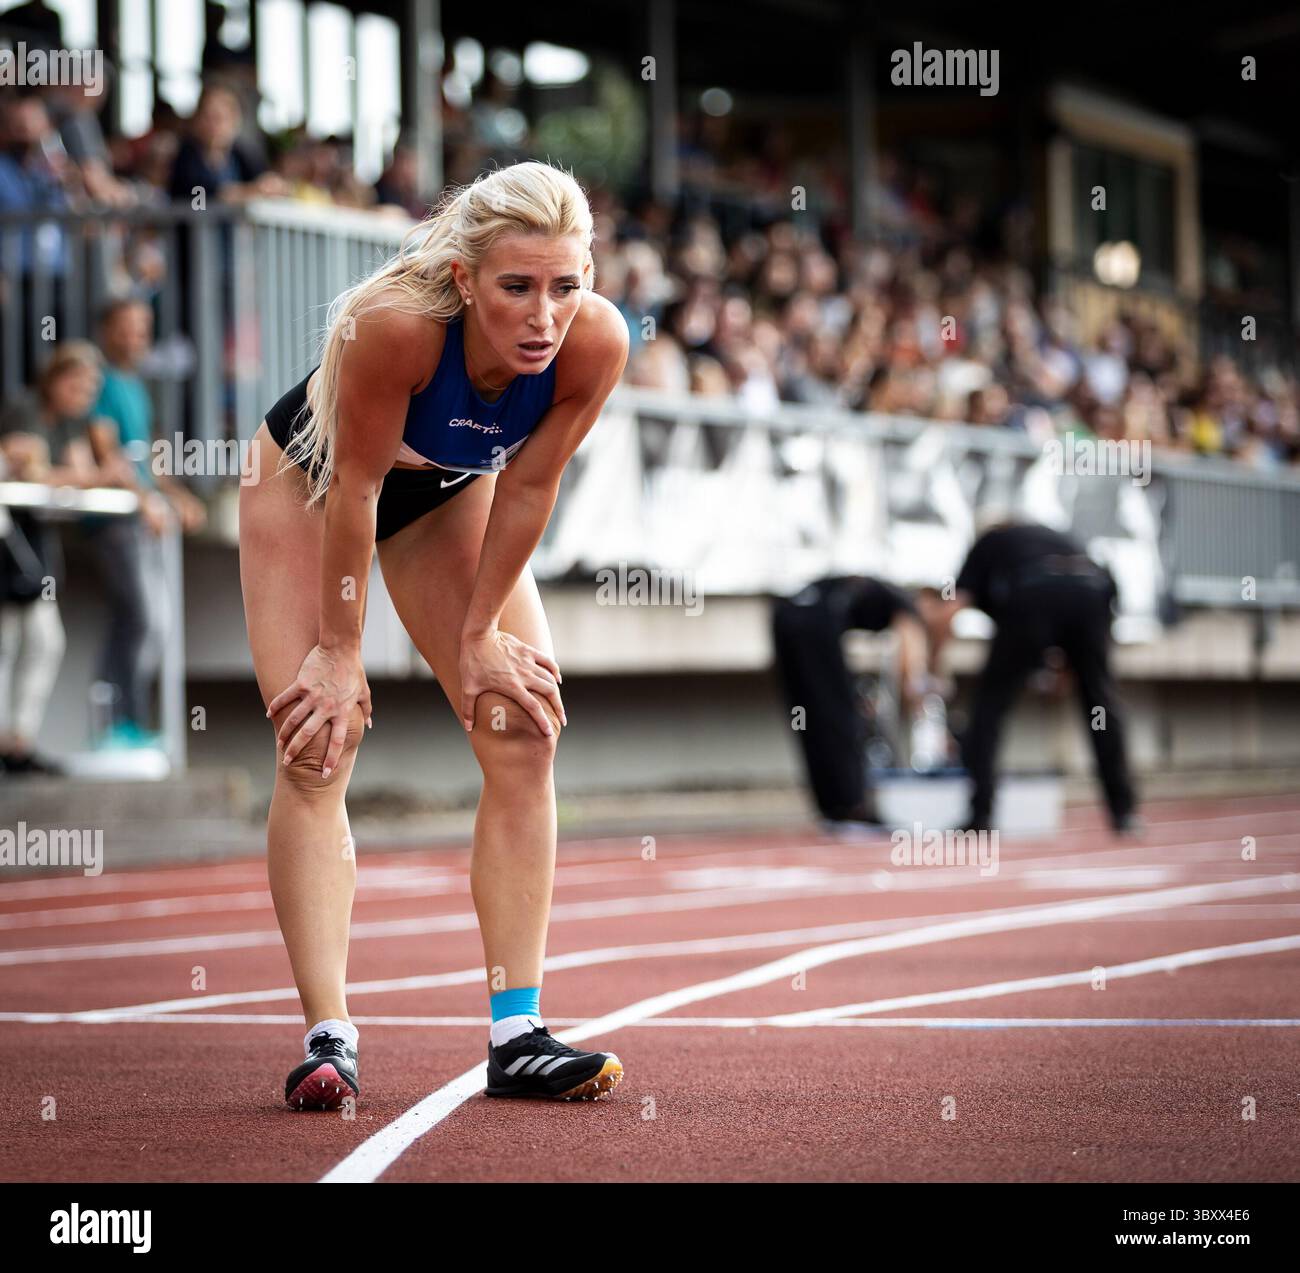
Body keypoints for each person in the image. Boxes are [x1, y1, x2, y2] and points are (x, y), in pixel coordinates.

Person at [240, 161, 629, 1110]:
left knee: (521, 725)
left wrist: (480, 633)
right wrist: (338, 651)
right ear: (465, 279)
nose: (546, 317)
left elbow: (528, 487)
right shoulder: (393, 326)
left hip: (450, 493)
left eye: (567, 287)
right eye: (518, 288)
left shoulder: (595, 344)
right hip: (311, 483)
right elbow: (357, 493)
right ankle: (328, 1036)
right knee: (315, 745)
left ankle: (518, 1030)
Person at [917, 519, 1139, 834]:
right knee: (1100, 706)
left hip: (1033, 593)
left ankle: (980, 815)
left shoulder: (989, 542)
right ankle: (1124, 812)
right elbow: (1075, 603)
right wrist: (1070, 670)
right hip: (1093, 591)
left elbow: (949, 611)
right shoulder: (1053, 536)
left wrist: (932, 668)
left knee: (990, 708)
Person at [87, 296, 205, 748]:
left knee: (153, 623)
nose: (137, 335)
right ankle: (117, 727)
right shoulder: (100, 381)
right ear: (106, 330)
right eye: (127, 326)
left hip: (144, 516)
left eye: (143, 326)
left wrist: (177, 497)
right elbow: (109, 455)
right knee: (139, 620)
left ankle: (129, 725)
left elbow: (148, 460)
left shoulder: (135, 384)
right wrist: (146, 502)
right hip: (119, 521)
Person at [0, 342, 106, 773]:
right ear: (56, 379)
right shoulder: (24, 409)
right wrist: (64, 472)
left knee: (44, 641)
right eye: (75, 384)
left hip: (34, 542)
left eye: (89, 387)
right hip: (9, 539)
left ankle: (18, 743)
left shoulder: (71, 425)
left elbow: (78, 473)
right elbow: (28, 466)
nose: (82, 394)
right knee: (7, 641)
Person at [770, 574, 929, 829]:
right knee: (839, 716)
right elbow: (912, 664)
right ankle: (852, 805)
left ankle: (831, 805)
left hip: (784, 616)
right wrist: (916, 695)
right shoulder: (905, 602)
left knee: (809, 717)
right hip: (817, 621)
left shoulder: (863, 587)